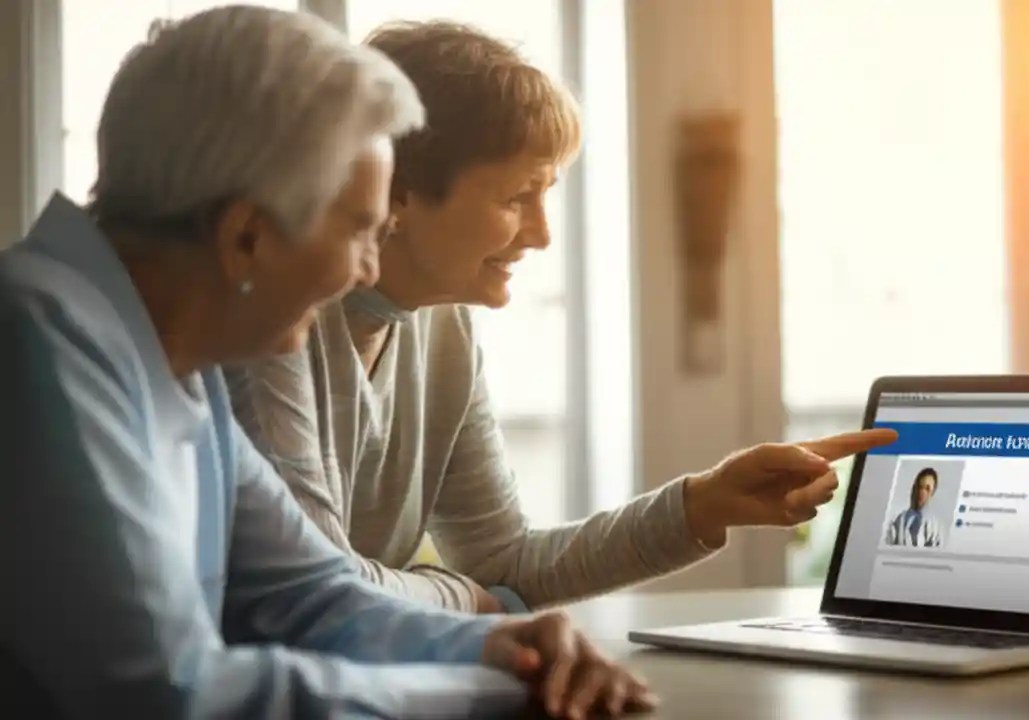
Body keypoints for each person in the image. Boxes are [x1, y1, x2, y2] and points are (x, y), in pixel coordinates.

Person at [0, 8, 652, 719]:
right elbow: (163, 691)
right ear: (246, 237)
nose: (368, 270)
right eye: (359, 232)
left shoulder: (170, 357)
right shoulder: (38, 341)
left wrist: (506, 646)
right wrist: (490, 691)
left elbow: (308, 594)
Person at [228, 20, 899, 615]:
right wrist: (468, 599)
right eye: (519, 197)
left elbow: (502, 563)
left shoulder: (445, 330)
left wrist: (703, 504)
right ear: (397, 189)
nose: (543, 234)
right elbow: (314, 590)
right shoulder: (278, 319)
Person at [885, 468, 944, 548]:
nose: (922, 492)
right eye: (920, 487)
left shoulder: (934, 527)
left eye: (927, 489)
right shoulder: (897, 520)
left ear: (932, 493)